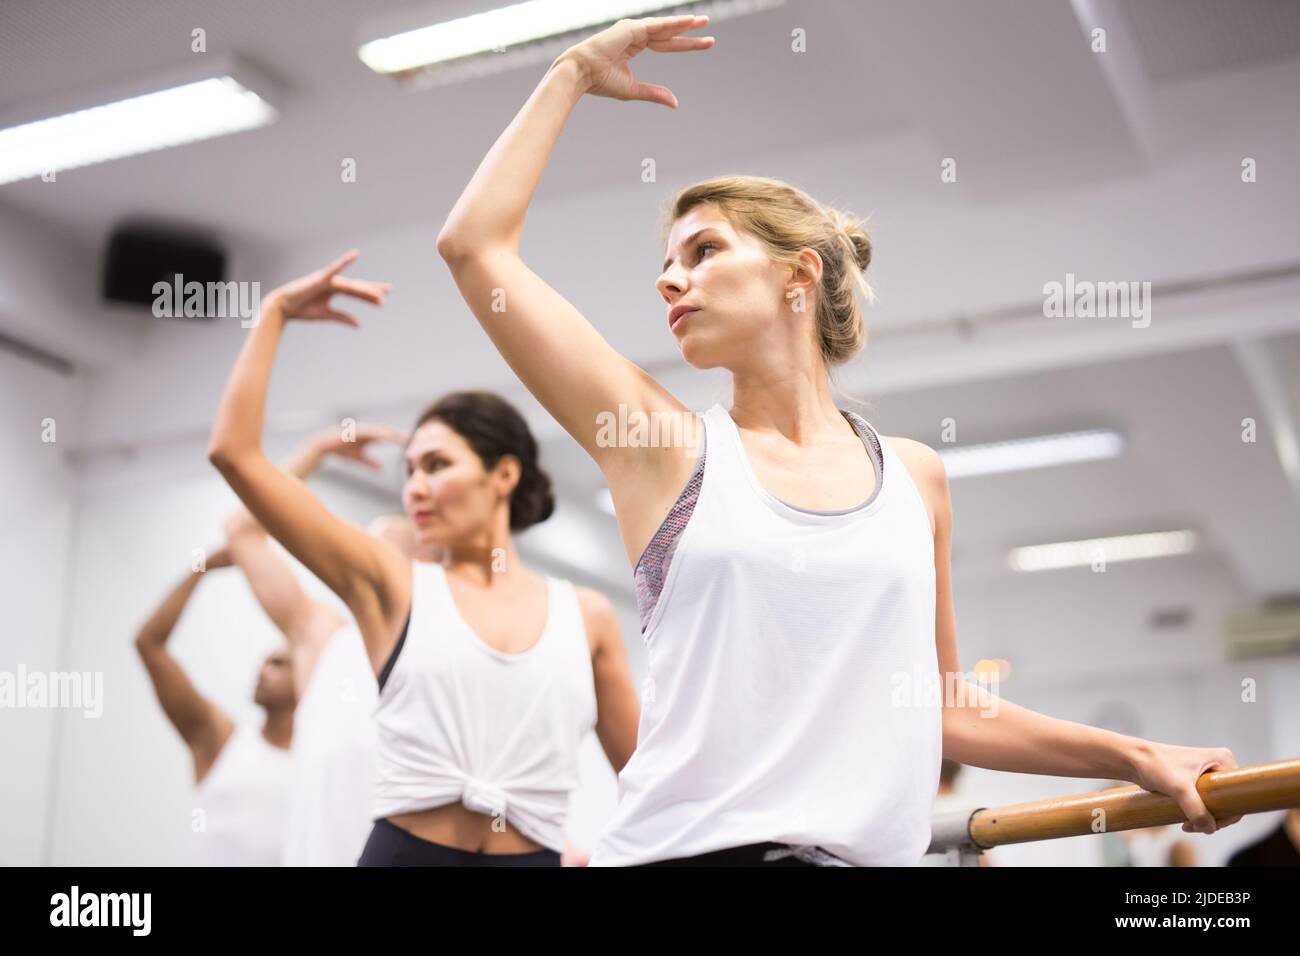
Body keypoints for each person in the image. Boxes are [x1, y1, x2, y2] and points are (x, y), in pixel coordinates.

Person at [434, 13, 1244, 866]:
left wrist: (1137, 755)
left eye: (704, 249)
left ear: (798, 272)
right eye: (668, 264)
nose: (672, 278)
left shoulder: (916, 479)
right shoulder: (663, 448)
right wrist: (569, 70)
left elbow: (946, 708)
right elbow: (474, 246)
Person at [207, 262, 642, 866]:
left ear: (504, 475)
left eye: (436, 465)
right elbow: (234, 456)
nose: (414, 487)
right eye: (408, 470)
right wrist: (274, 312)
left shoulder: (586, 616)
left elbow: (649, 781)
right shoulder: (394, 586)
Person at [221, 427, 438, 867]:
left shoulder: (448, 644)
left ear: (426, 567)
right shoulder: (323, 636)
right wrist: (315, 452)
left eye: (385, 556)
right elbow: (242, 531)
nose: (363, 565)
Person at [133, 548, 294, 866]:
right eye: (262, 663)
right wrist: (201, 569)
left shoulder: (320, 762)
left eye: (278, 664)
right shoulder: (221, 741)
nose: (262, 670)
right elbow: (149, 645)